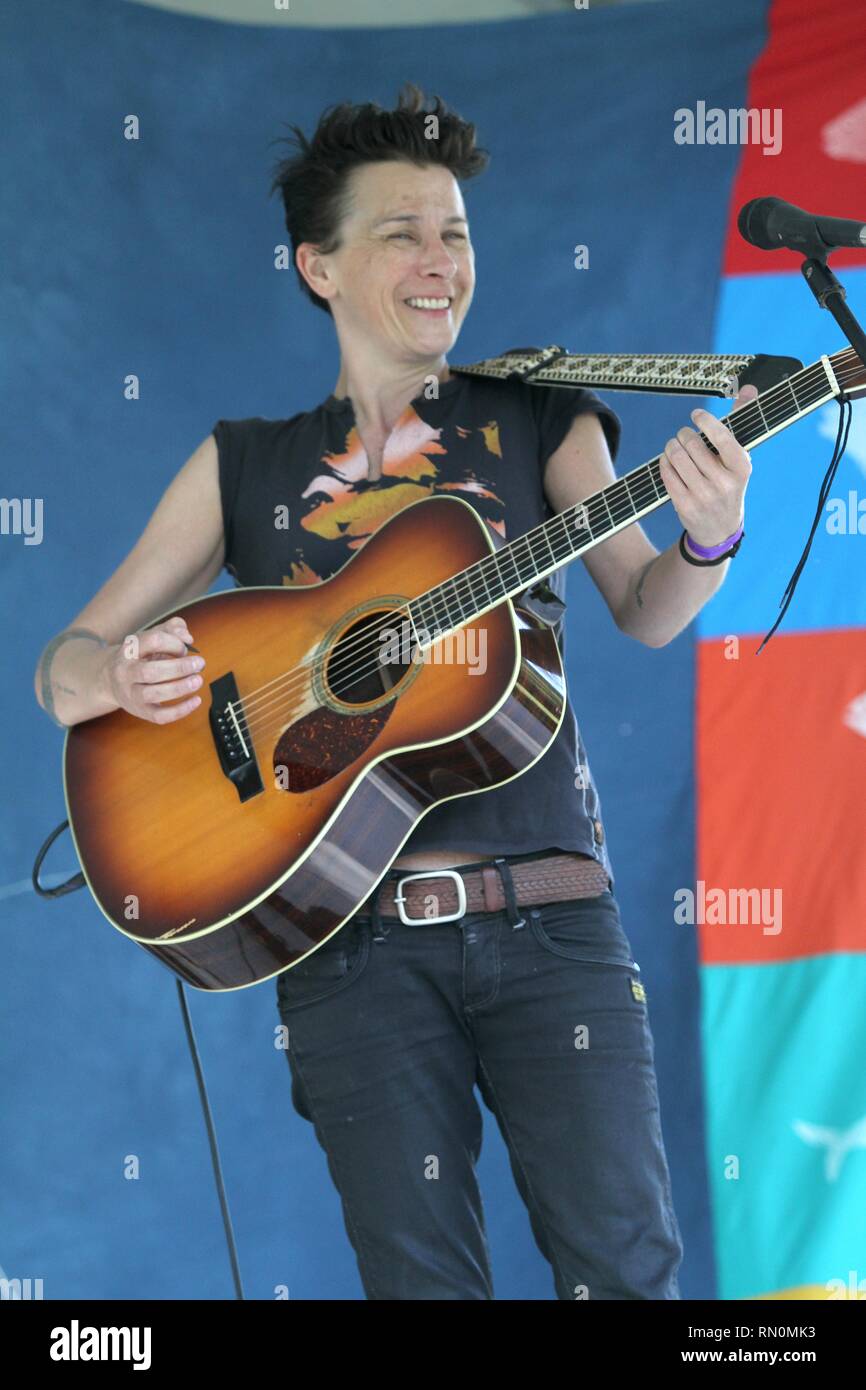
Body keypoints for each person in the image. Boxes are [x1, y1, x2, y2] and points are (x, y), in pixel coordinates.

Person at [34, 83, 755, 1300]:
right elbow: (63, 667)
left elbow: (642, 609)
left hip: (553, 925)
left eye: (457, 234)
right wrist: (109, 671)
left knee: (624, 1277)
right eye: (402, 234)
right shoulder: (241, 462)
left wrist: (706, 541)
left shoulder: (537, 416)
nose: (440, 262)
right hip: (348, 947)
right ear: (316, 266)